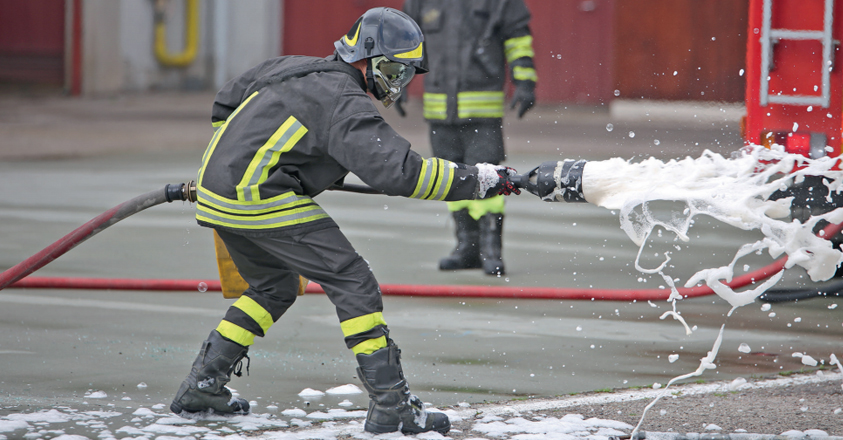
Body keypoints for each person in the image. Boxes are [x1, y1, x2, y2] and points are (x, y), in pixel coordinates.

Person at [169, 7, 520, 436]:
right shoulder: (344, 101)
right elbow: (403, 173)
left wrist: (276, 160)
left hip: (217, 190)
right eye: (393, 70)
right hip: (257, 195)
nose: (396, 84)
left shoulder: (293, 67)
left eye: (405, 75)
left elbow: (225, 104)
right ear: (365, 56)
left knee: (273, 287)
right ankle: (391, 404)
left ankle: (202, 386)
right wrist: (483, 179)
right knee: (354, 281)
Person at [401, 0, 537, 276]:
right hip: (440, 110)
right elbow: (405, 41)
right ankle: (468, 247)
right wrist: (399, 80)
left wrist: (525, 81)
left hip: (482, 111)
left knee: (489, 177)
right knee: (451, 179)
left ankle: (491, 249)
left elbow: (518, 38)